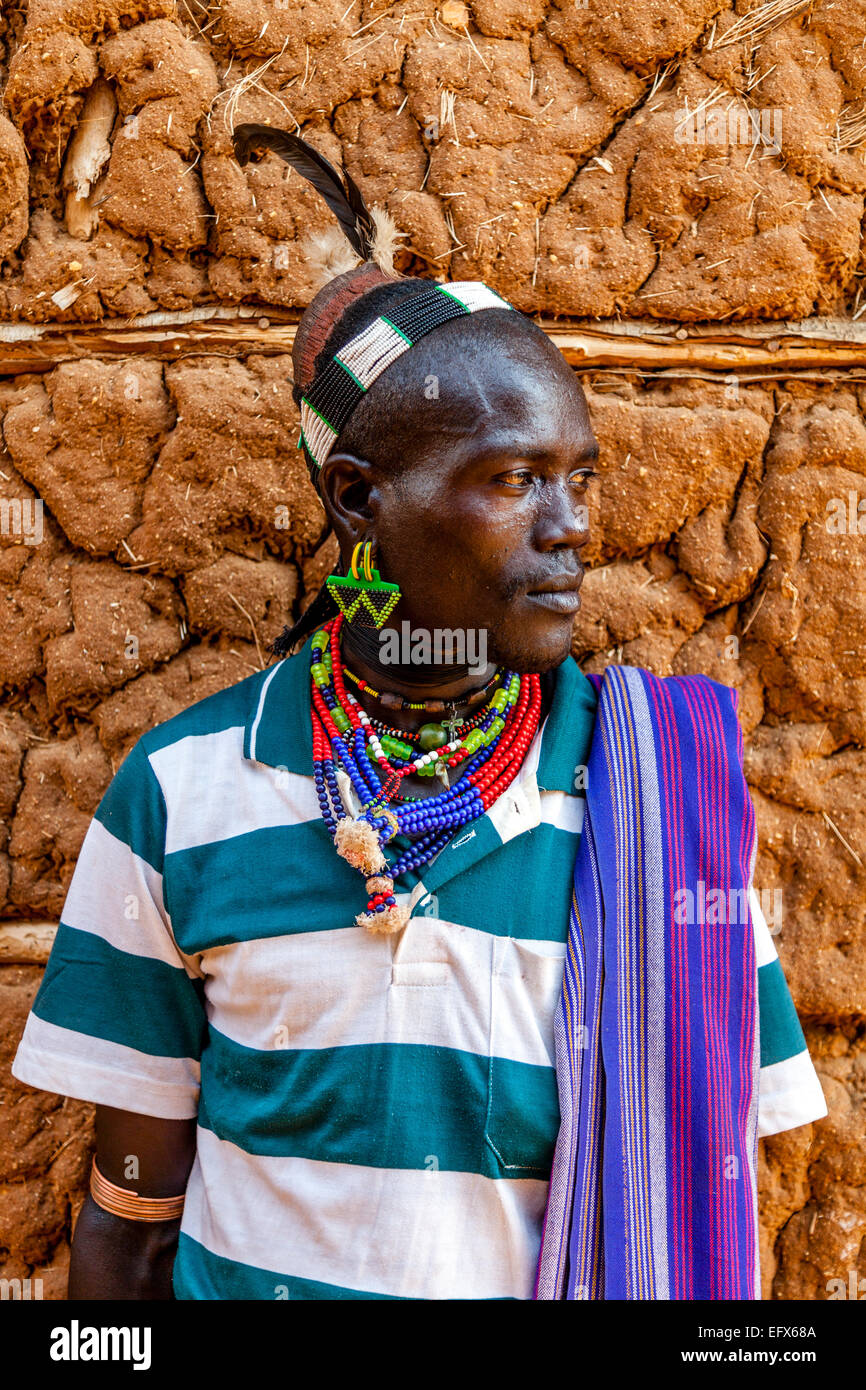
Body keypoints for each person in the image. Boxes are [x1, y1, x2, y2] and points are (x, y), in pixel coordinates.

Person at [12, 130, 826, 1301]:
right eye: (512, 479)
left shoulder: (657, 804)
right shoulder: (183, 792)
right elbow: (130, 1226)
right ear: (358, 499)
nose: (570, 527)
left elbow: (694, 1199)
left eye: (578, 478)